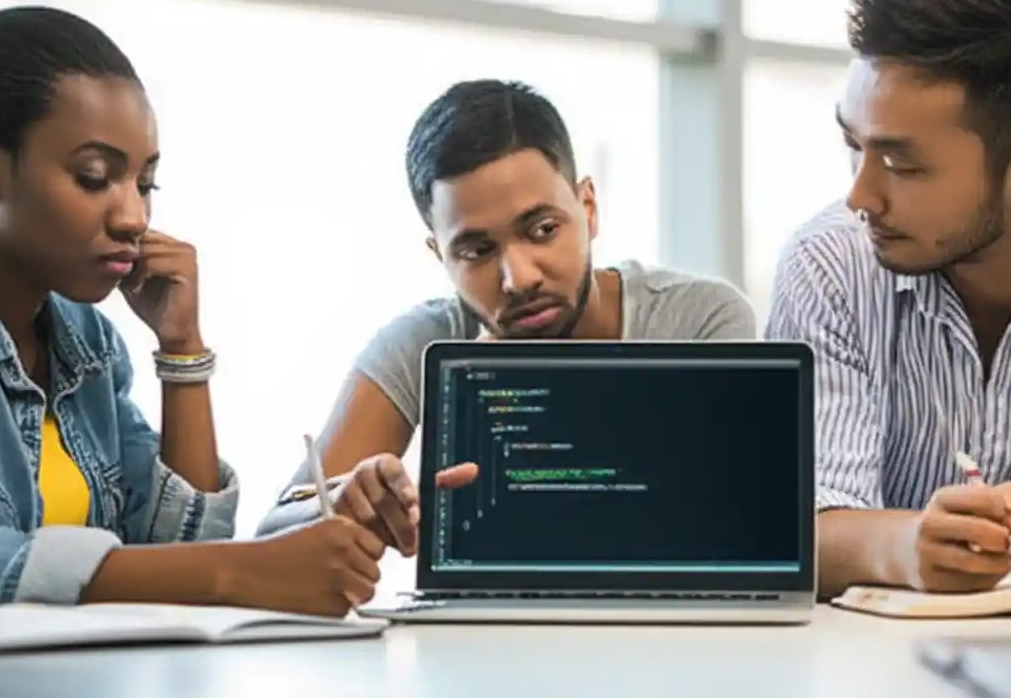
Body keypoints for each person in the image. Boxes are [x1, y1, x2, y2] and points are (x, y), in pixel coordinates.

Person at [0, 6, 382, 616]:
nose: (133, 217)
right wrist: (234, 572)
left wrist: (182, 347)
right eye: (93, 177)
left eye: (144, 184)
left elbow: (177, 555)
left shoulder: (87, 341)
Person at [258, 79, 756, 550]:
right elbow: (272, 536)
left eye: (541, 230)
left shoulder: (700, 319)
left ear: (588, 208)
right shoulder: (424, 343)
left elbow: (732, 522)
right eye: (477, 251)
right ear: (441, 256)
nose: (518, 278)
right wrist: (345, 498)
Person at [765, 0, 1011, 598]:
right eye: (852, 145)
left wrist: (953, 539)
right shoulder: (828, 262)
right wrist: (910, 545)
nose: (860, 196)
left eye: (901, 165)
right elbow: (800, 518)